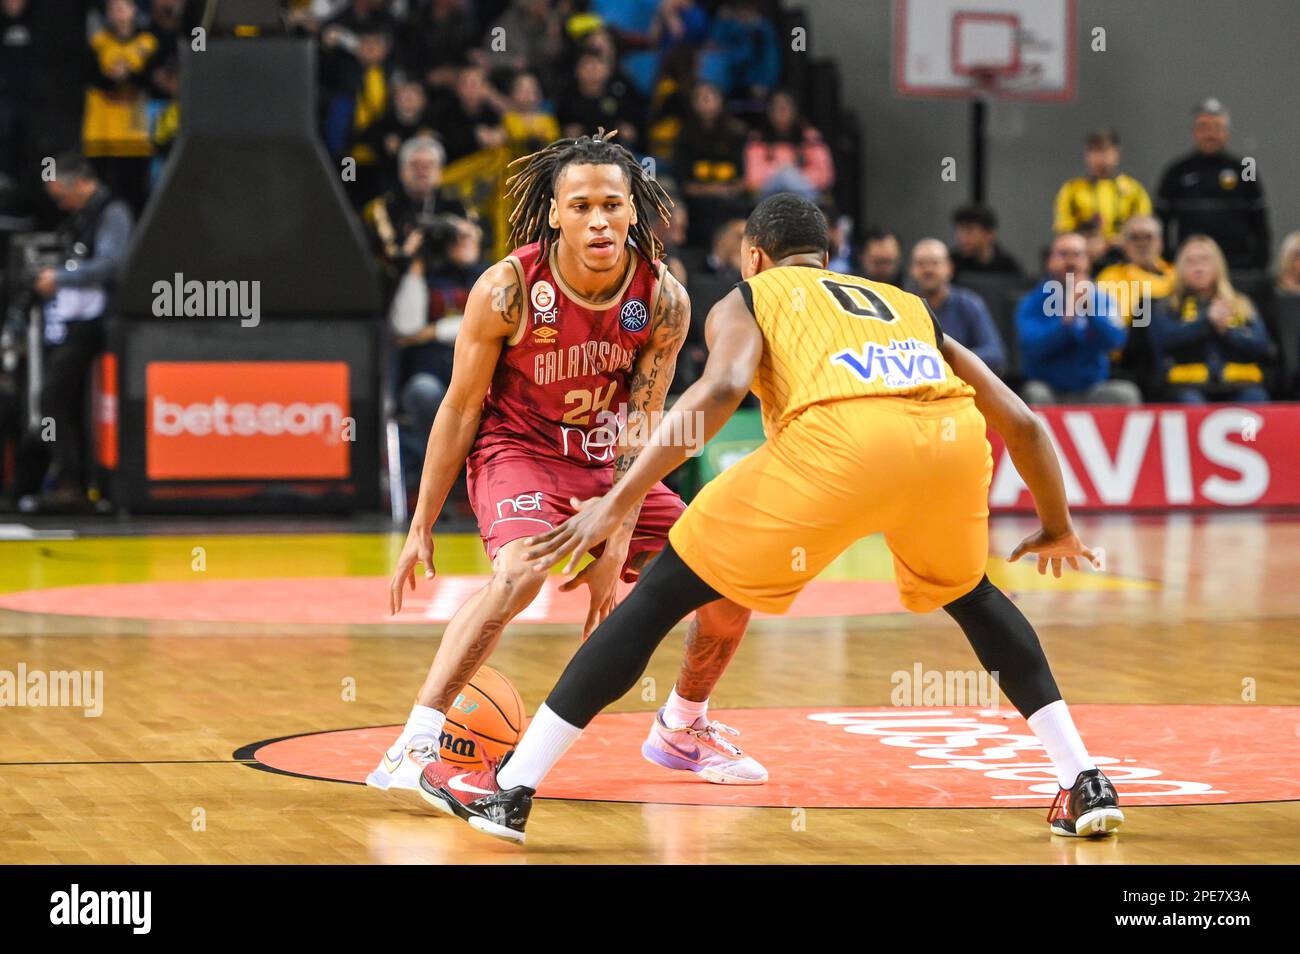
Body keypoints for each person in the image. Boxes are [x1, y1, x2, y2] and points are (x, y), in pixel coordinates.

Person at [419, 193, 1123, 844]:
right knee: (974, 598)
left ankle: (510, 789)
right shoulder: (905, 301)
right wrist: (1056, 524)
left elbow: (722, 386)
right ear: (830, 253)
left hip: (837, 445)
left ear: (754, 255)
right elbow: (1023, 423)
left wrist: (618, 496)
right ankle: (1083, 779)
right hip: (948, 443)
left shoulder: (750, 294)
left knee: (660, 597)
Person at [369, 131, 767, 801]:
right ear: (555, 214)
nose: (599, 219)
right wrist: (421, 524)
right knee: (522, 572)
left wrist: (614, 538)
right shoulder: (508, 288)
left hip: (609, 465)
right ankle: (414, 741)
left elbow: (643, 426)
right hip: (518, 453)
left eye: (612, 204)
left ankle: (683, 726)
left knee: (730, 580)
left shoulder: (662, 298)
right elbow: (461, 411)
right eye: (580, 206)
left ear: (633, 210)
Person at [14, 155, 133, 510]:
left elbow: (113, 263)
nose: (60, 204)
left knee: (53, 397)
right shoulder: (81, 218)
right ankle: (70, 479)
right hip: (71, 319)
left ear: (80, 182)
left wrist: (61, 278)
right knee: (62, 399)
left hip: (97, 320)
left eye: (62, 195)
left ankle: (72, 481)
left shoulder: (111, 212)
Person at [1017, 233, 1140, 405]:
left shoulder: (1101, 299)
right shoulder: (1033, 301)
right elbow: (1032, 346)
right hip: (1049, 390)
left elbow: (1116, 341)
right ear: (1050, 261)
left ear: (1088, 261)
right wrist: (1066, 321)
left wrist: (1090, 312)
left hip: (1092, 390)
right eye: (1063, 254)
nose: (1071, 262)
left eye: (1078, 254)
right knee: (1034, 393)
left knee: (1125, 394)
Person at [1151, 235, 1271, 403]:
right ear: (1179, 268)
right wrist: (1206, 322)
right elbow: (1163, 341)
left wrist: (1227, 331)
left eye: (1205, 260)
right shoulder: (1166, 305)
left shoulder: (1242, 303)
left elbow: (1261, 345)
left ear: (1218, 266)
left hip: (1238, 385)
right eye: (1190, 262)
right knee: (1191, 402)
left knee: (1256, 398)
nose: (1198, 268)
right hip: (1186, 386)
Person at [1156, 99, 1270, 271]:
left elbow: (1260, 223)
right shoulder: (1177, 171)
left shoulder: (1247, 167)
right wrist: (1168, 259)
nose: (1210, 134)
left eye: (1217, 127)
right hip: (1191, 268)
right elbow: (1160, 222)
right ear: (1194, 132)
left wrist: (1258, 263)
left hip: (1238, 267)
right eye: (1203, 127)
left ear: (1227, 132)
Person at [910, 238, 1006, 375]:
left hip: (962, 385)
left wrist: (945, 360)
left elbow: (995, 354)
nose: (928, 270)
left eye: (935, 263)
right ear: (911, 270)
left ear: (950, 268)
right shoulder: (902, 306)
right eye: (920, 264)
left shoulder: (969, 303)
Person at [1052, 129, 1152, 250]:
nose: (1099, 157)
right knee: (1068, 262)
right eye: (1093, 151)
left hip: (1123, 256)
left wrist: (1111, 242)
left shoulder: (1133, 190)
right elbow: (1063, 232)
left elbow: (1143, 230)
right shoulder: (1072, 190)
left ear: (1116, 153)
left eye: (1104, 150)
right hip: (1084, 253)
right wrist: (1085, 241)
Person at [743, 89, 833, 199]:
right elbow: (752, 179)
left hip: (804, 191)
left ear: (795, 110)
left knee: (789, 175)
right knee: (786, 175)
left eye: (786, 107)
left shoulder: (810, 138)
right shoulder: (757, 138)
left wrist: (795, 174)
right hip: (768, 197)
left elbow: (825, 176)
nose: (782, 111)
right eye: (777, 107)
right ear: (769, 111)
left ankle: (810, 209)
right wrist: (782, 170)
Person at [949, 204, 1023, 281]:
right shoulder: (951, 263)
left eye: (969, 231)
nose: (961, 237)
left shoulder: (1008, 267)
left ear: (989, 234)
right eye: (959, 231)